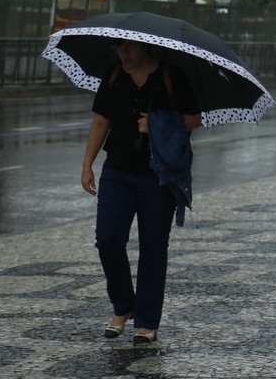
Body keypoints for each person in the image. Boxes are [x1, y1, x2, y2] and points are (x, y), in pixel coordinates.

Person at [81, 40, 201, 345]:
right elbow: (100, 120)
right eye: (118, 49)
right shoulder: (114, 75)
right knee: (107, 240)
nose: (122, 55)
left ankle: (146, 322)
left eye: (128, 49)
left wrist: (158, 123)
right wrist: (87, 165)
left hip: (158, 176)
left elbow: (195, 118)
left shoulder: (171, 77)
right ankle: (124, 304)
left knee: (153, 248)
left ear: (144, 47)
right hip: (117, 172)